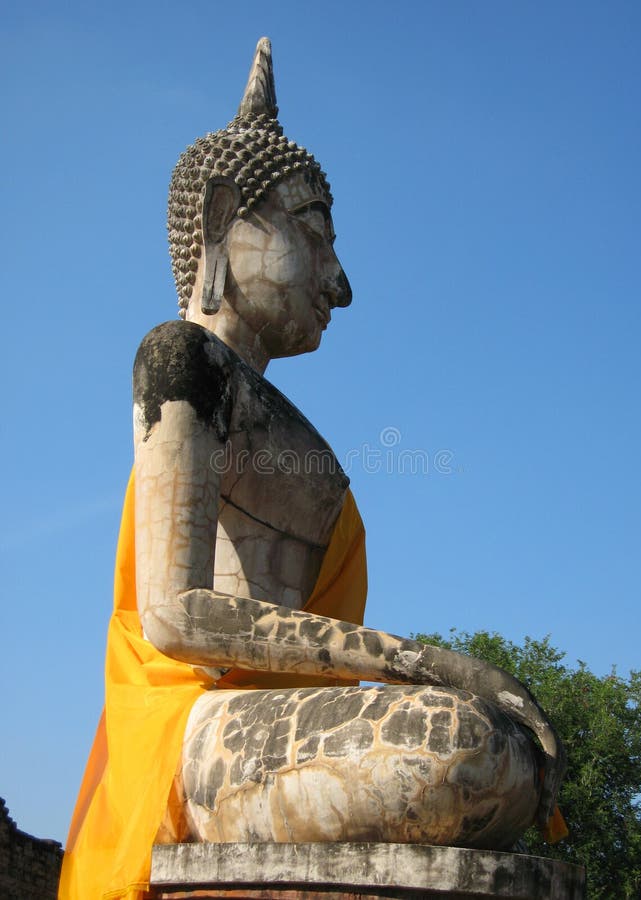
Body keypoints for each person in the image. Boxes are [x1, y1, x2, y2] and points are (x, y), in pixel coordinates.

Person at [60, 38, 565, 900]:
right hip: (198, 722)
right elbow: (175, 616)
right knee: (460, 746)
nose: (339, 282)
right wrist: (417, 662)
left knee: (494, 749)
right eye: (315, 236)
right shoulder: (180, 363)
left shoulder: (277, 419)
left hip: (274, 715)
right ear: (225, 217)